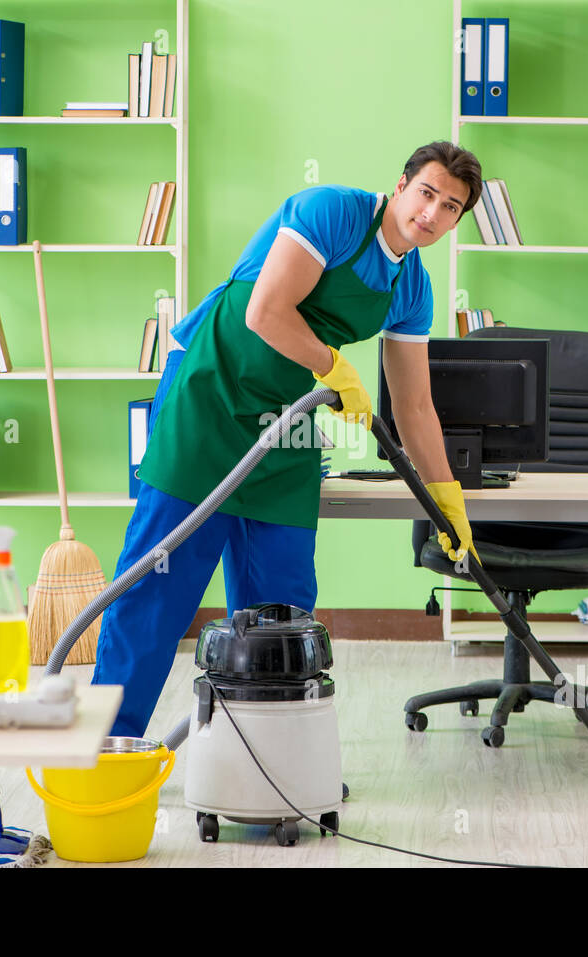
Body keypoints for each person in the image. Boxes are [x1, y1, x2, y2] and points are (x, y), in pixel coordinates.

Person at [93, 140, 483, 737]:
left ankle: (274, 762)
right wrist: (333, 366)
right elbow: (265, 311)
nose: (431, 214)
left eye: (450, 207)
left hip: (287, 416)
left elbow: (414, 404)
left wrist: (446, 498)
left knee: (282, 607)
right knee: (156, 595)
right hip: (213, 392)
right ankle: (105, 753)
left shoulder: (412, 289)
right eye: (426, 193)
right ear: (401, 185)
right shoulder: (332, 212)